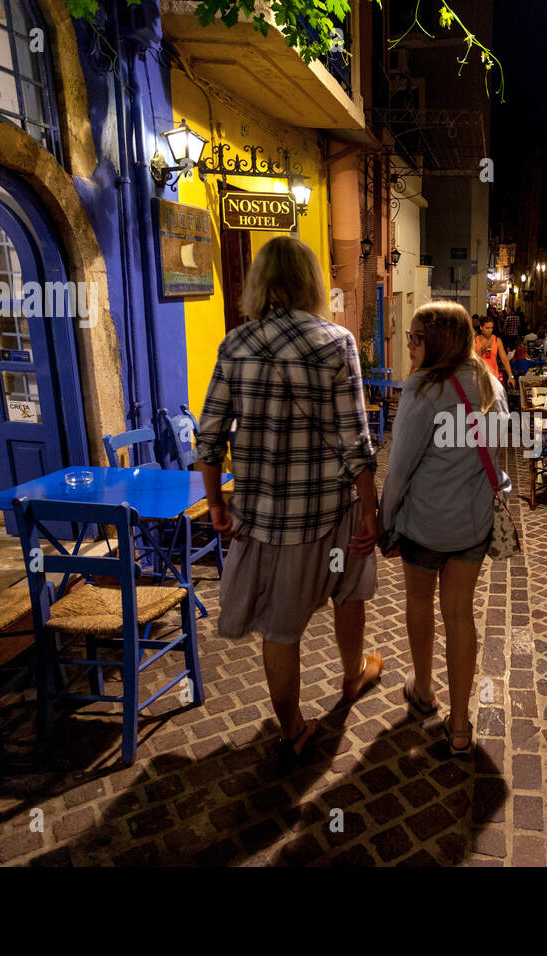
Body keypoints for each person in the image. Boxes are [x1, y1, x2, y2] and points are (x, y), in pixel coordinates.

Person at [195, 236, 384, 762]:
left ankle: (293, 727)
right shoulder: (334, 342)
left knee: (279, 626)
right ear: (310, 282)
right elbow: (356, 440)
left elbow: (209, 438)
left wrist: (216, 504)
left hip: (262, 518)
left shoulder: (234, 345)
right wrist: (371, 510)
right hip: (330, 512)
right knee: (348, 592)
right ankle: (352, 676)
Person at [379, 302, 512, 756]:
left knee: (419, 602)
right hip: (472, 525)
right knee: (460, 615)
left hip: (424, 524)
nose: (410, 345)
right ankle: (459, 724)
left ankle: (424, 689)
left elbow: (399, 468)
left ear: (435, 341)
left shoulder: (423, 388)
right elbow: (499, 456)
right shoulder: (490, 384)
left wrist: (385, 519)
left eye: (415, 338)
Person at [475, 315, 515, 390]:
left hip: (494, 378)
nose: (490, 330)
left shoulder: (497, 340)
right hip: (479, 378)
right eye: (487, 328)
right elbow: (472, 361)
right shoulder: (475, 341)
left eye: (491, 328)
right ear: (481, 327)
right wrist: (482, 349)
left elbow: (505, 360)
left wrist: (510, 376)